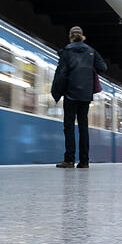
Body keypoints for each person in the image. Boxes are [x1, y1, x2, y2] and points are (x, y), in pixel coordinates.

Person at [51, 26, 107, 169]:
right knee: (83, 127)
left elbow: (61, 74)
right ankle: (84, 161)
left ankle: (69, 160)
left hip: (70, 94)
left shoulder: (66, 52)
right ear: (82, 36)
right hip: (85, 95)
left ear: (70, 36)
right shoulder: (91, 52)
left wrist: (57, 91)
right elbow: (103, 67)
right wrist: (89, 69)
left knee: (69, 127)